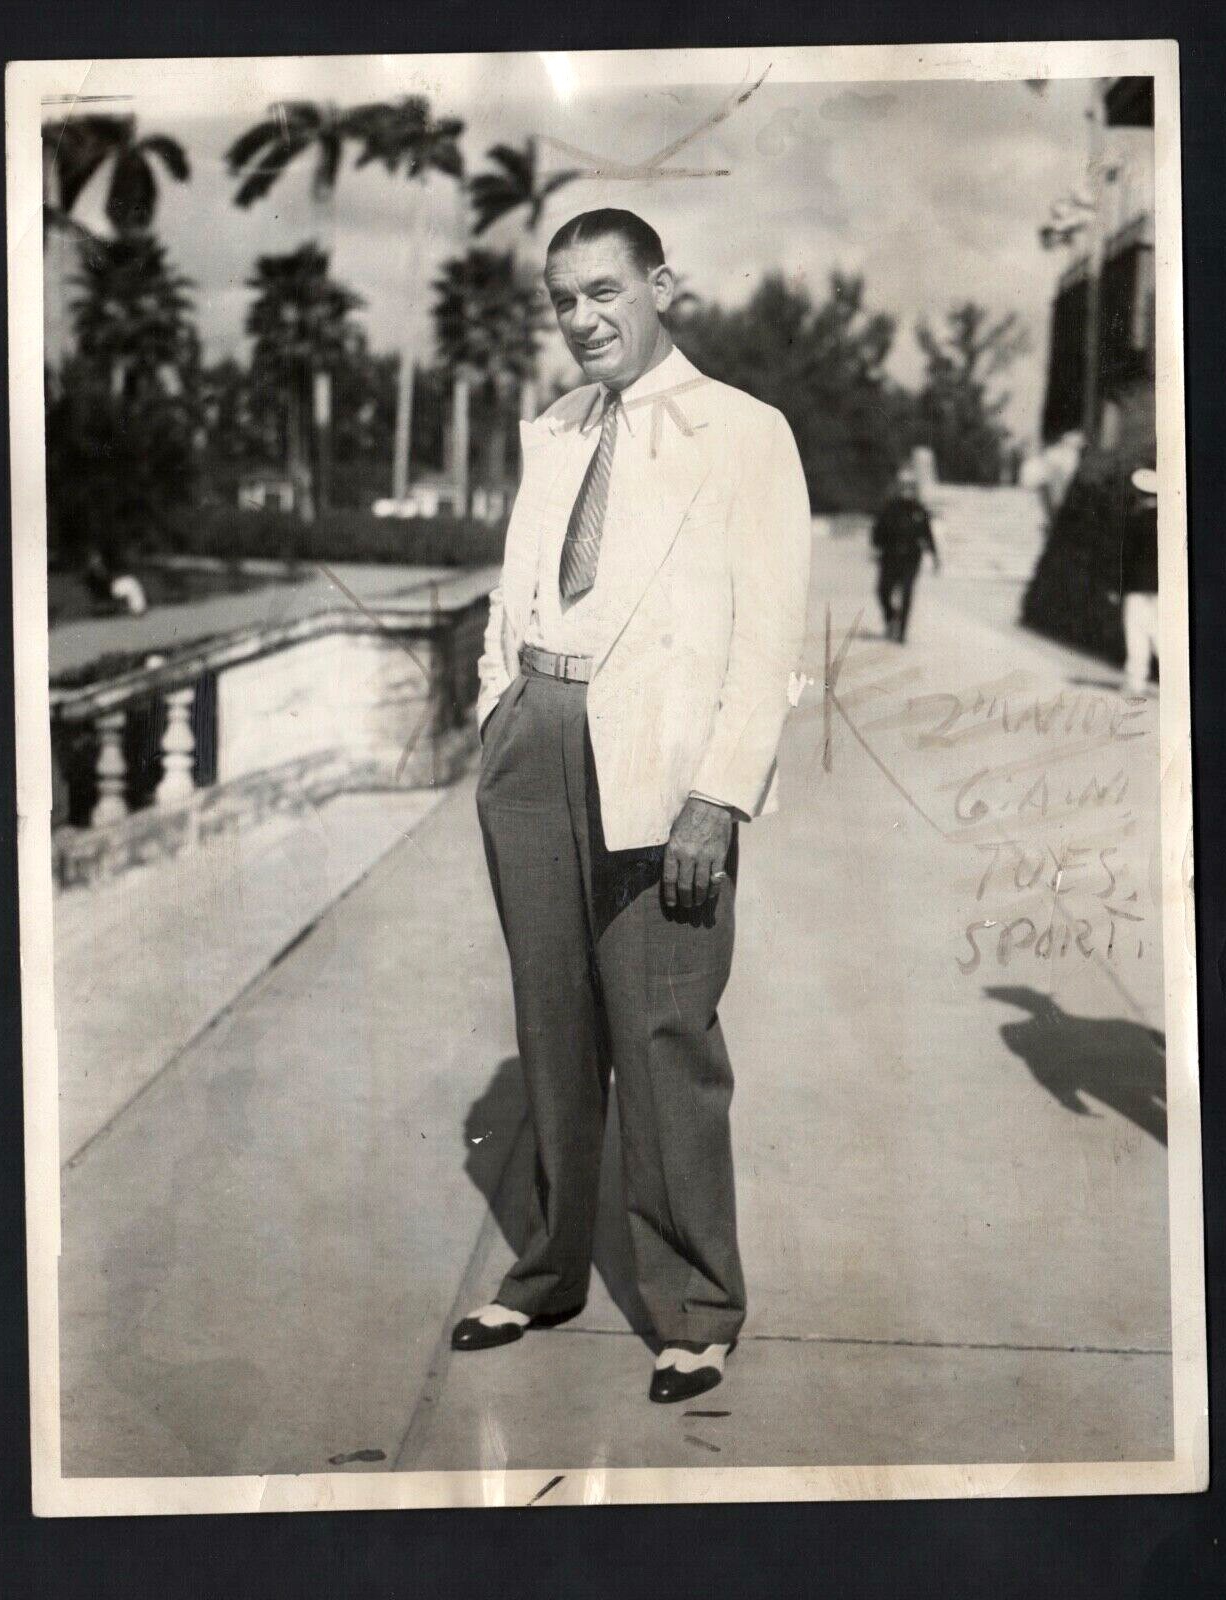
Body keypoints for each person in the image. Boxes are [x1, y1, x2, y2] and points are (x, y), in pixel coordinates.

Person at [455, 209, 811, 1405]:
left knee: (663, 1034)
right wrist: (498, 708)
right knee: (551, 1024)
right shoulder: (554, 429)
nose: (582, 319)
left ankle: (696, 1304)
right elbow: (517, 594)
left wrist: (718, 795)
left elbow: (768, 640)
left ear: (663, 284)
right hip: (535, 743)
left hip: (663, 766)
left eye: (604, 290)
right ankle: (551, 1267)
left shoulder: (744, 432)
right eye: (563, 299)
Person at [871, 466, 939, 642]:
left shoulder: (919, 510)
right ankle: (891, 617)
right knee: (883, 591)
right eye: (904, 486)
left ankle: (901, 632)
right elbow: (878, 529)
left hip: (911, 558)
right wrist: (876, 546)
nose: (907, 490)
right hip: (890, 556)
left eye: (910, 486)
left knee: (907, 592)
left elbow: (928, 533)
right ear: (899, 487)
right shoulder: (889, 508)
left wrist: (934, 555)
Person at [1121, 466, 1159, 695]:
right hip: (1161, 586)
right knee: (1158, 631)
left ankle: (1136, 681)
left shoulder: (1136, 519)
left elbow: (1127, 557)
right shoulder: (1169, 517)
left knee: (1137, 633)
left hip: (1137, 585)